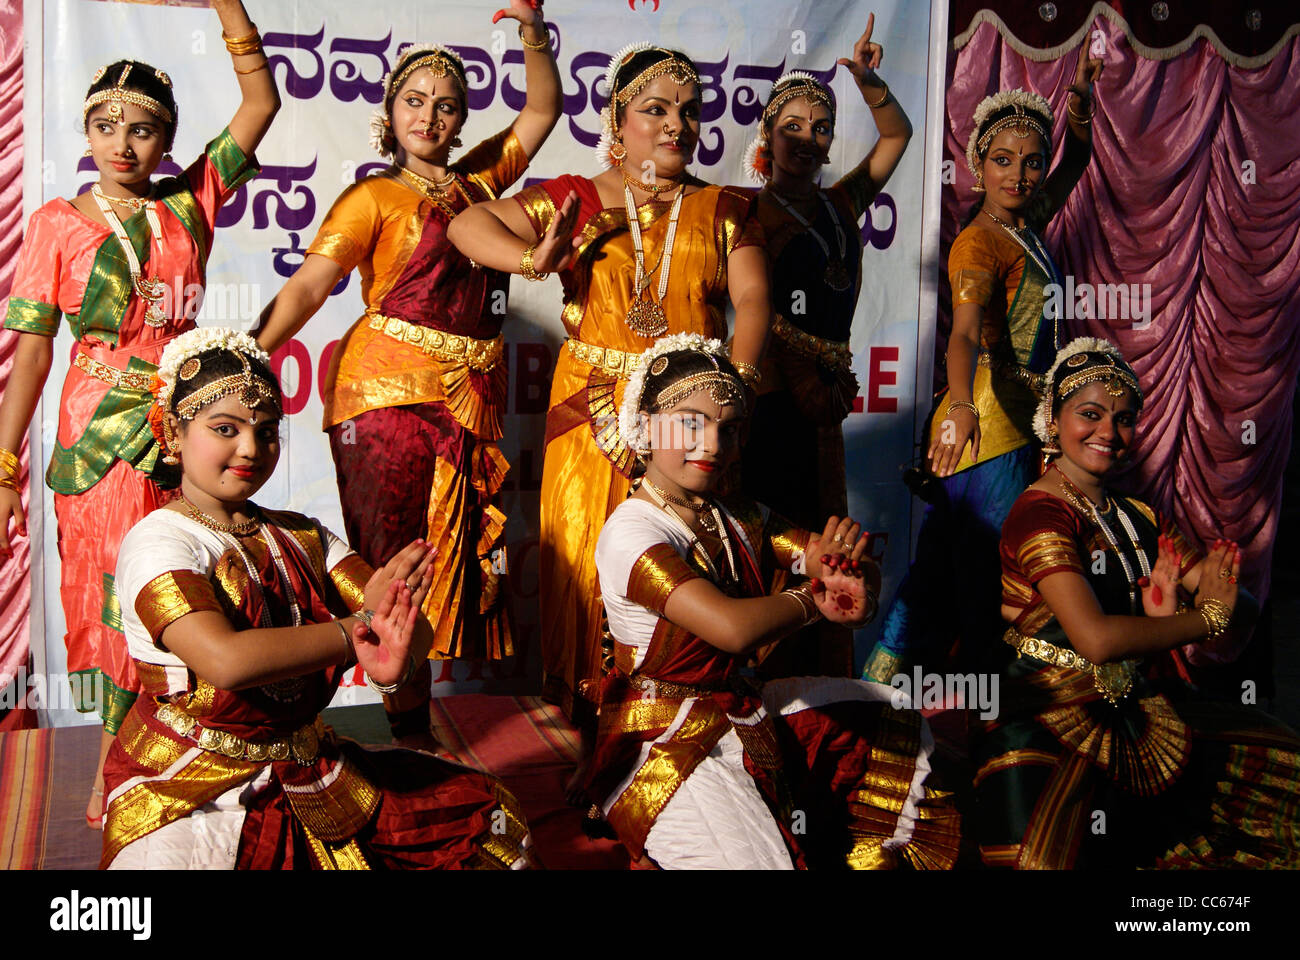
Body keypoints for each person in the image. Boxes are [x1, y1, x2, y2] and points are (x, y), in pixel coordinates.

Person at [446, 44, 772, 777]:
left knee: (681, 570)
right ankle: (599, 750)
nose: (675, 125)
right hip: (587, 417)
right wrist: (534, 259)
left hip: (687, 415)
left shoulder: (724, 210)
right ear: (617, 125)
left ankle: (681, 733)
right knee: (591, 579)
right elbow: (467, 228)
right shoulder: (580, 198)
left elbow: (752, 301)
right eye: (654, 109)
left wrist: (733, 388)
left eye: (688, 112)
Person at [101, 329, 533, 869]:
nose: (250, 449)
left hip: (308, 763)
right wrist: (359, 630)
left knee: (487, 815)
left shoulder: (302, 536)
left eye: (266, 431)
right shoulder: (161, 540)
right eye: (225, 429)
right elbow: (225, 660)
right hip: (189, 783)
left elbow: (401, 628)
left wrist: (396, 650)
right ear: (173, 433)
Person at [0, 0, 279, 828]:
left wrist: (228, 5)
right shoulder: (55, 225)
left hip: (186, 425)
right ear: (87, 134)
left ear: (167, 139)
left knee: (190, 584)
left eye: (145, 128)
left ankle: (191, 757)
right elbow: (32, 358)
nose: (124, 143)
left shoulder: (190, 204)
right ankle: (119, 765)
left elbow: (261, 105)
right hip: (98, 439)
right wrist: (3, 464)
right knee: (103, 598)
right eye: (107, 125)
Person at [255, 1, 562, 748]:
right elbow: (307, 287)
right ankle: (359, 733)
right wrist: (254, 350)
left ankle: (414, 738)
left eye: (446, 105)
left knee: (446, 568)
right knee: (389, 570)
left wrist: (529, 30)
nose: (429, 114)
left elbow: (544, 108)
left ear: (461, 122)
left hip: (464, 404)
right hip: (382, 401)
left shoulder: (479, 185)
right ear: (389, 113)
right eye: (415, 100)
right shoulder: (371, 197)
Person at [584, 333, 959, 869]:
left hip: (739, 706)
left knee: (894, 719)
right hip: (660, 742)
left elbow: (828, 560)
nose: (712, 445)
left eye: (729, 430)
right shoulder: (633, 531)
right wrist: (816, 598)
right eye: (691, 422)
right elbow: (732, 630)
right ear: (646, 426)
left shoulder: (735, 513)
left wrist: (856, 579)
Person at [974, 338, 1300, 868]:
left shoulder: (1138, 517)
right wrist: (1202, 619)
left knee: (1281, 765)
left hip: (1133, 707)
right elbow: (1097, 640)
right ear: (1053, 421)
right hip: (1045, 716)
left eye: (1124, 419)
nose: (1108, 432)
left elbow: (1239, 607)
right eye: (1090, 414)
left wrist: (1212, 601)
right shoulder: (1041, 515)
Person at [863, 45, 1102, 684]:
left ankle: (880, 690)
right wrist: (964, 403)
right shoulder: (980, 241)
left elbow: (1074, 159)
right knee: (983, 578)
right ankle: (983, 719)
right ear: (978, 166)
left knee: (945, 564)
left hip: (1019, 419)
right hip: (989, 425)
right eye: (1002, 162)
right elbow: (964, 335)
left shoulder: (1025, 223)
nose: (1019, 176)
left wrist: (1076, 104)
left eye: (1030, 164)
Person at [739, 15, 912, 678]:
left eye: (820, 128)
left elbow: (897, 135)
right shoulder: (743, 213)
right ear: (767, 136)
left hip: (824, 397)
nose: (808, 139)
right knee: (775, 525)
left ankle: (817, 674)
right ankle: (759, 678)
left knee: (825, 520)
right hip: (772, 394)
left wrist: (868, 82)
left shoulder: (842, 202)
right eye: (794, 127)